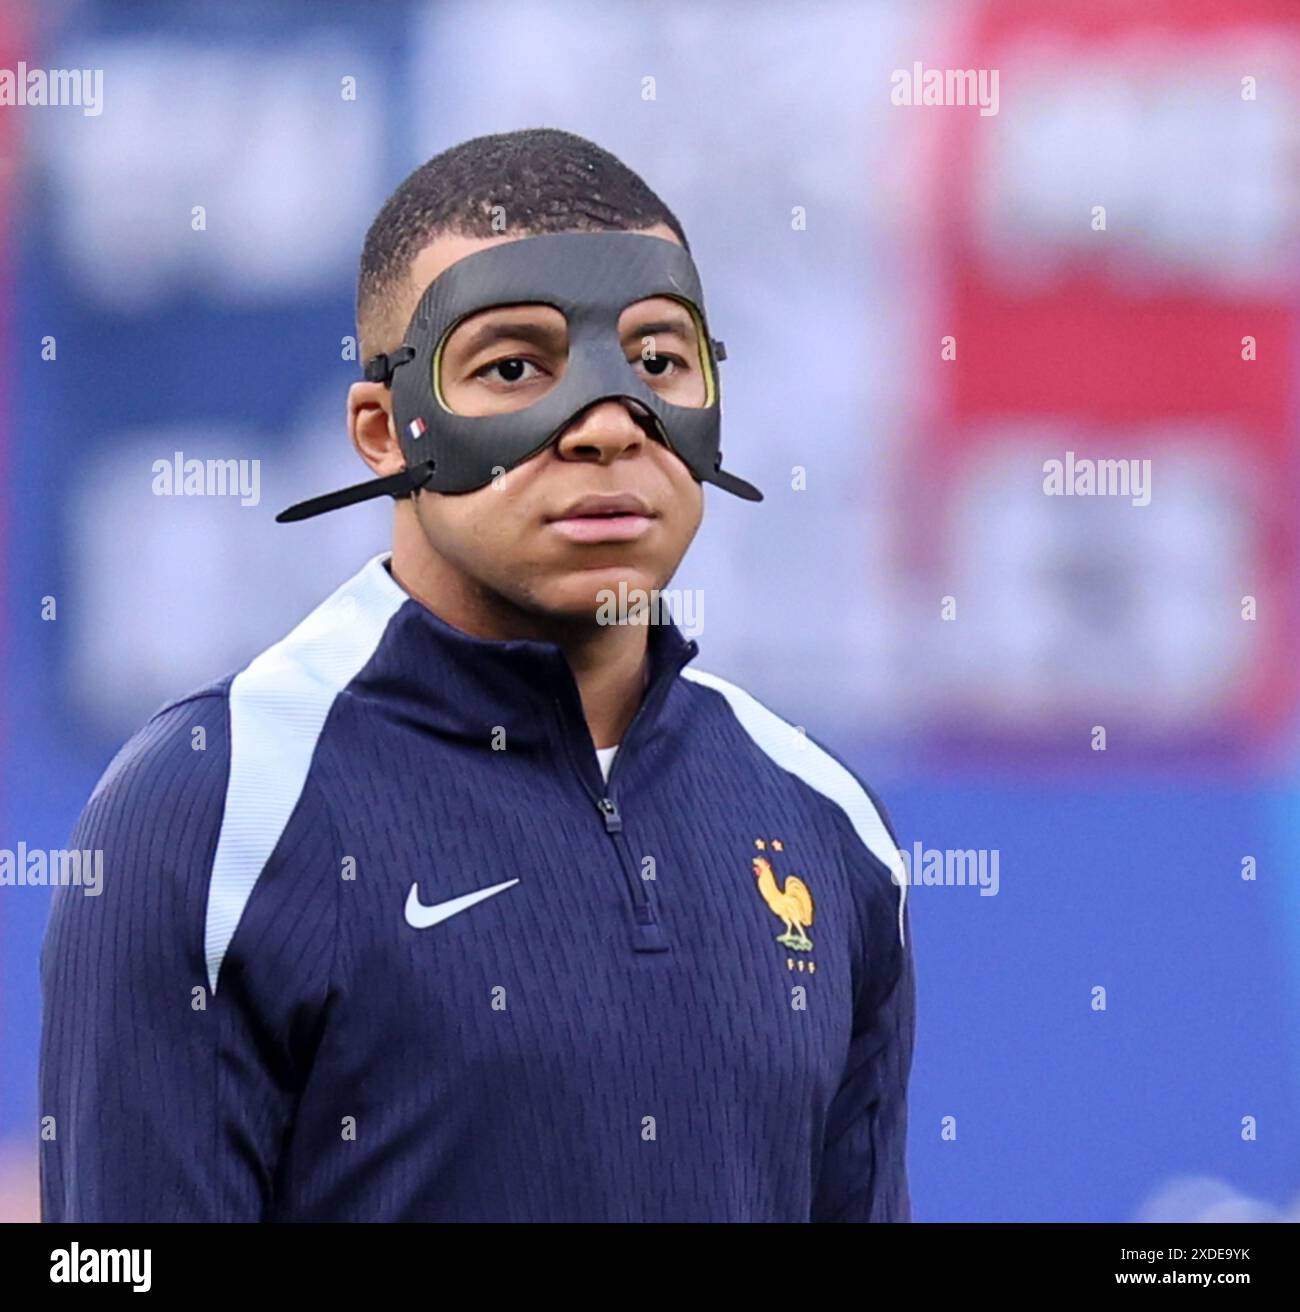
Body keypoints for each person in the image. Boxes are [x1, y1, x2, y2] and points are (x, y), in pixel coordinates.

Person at [39, 127, 915, 1222]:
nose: (606, 425)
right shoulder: (214, 807)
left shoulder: (828, 823)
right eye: (512, 368)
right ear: (382, 432)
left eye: (656, 361)